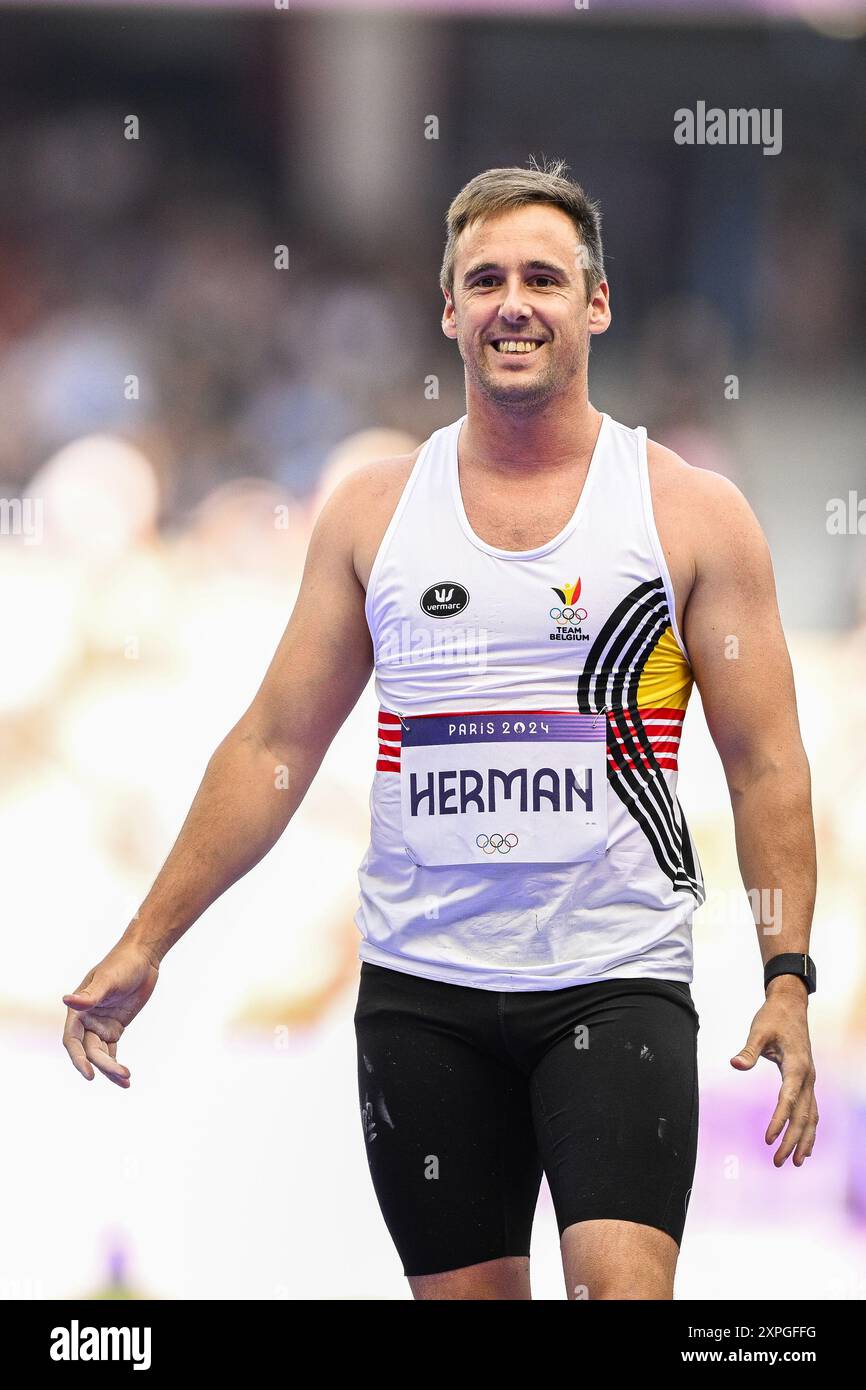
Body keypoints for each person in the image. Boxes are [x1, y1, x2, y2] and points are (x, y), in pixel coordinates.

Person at [62, 157, 819, 1301]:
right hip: (425, 995)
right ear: (449, 310)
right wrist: (145, 939)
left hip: (610, 979)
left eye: (543, 279)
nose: (513, 302)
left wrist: (787, 973)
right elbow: (275, 742)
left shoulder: (687, 512)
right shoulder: (375, 512)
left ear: (595, 303)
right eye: (485, 280)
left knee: (621, 1291)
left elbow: (763, 760)